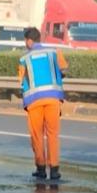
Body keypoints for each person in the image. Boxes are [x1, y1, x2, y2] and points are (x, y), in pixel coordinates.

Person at [19, 27, 68, 180]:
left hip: (34, 101)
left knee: (37, 135)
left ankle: (41, 169)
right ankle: (54, 170)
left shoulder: (24, 59)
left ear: (29, 41)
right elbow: (64, 71)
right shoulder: (55, 52)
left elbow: (21, 81)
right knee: (52, 134)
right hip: (53, 98)